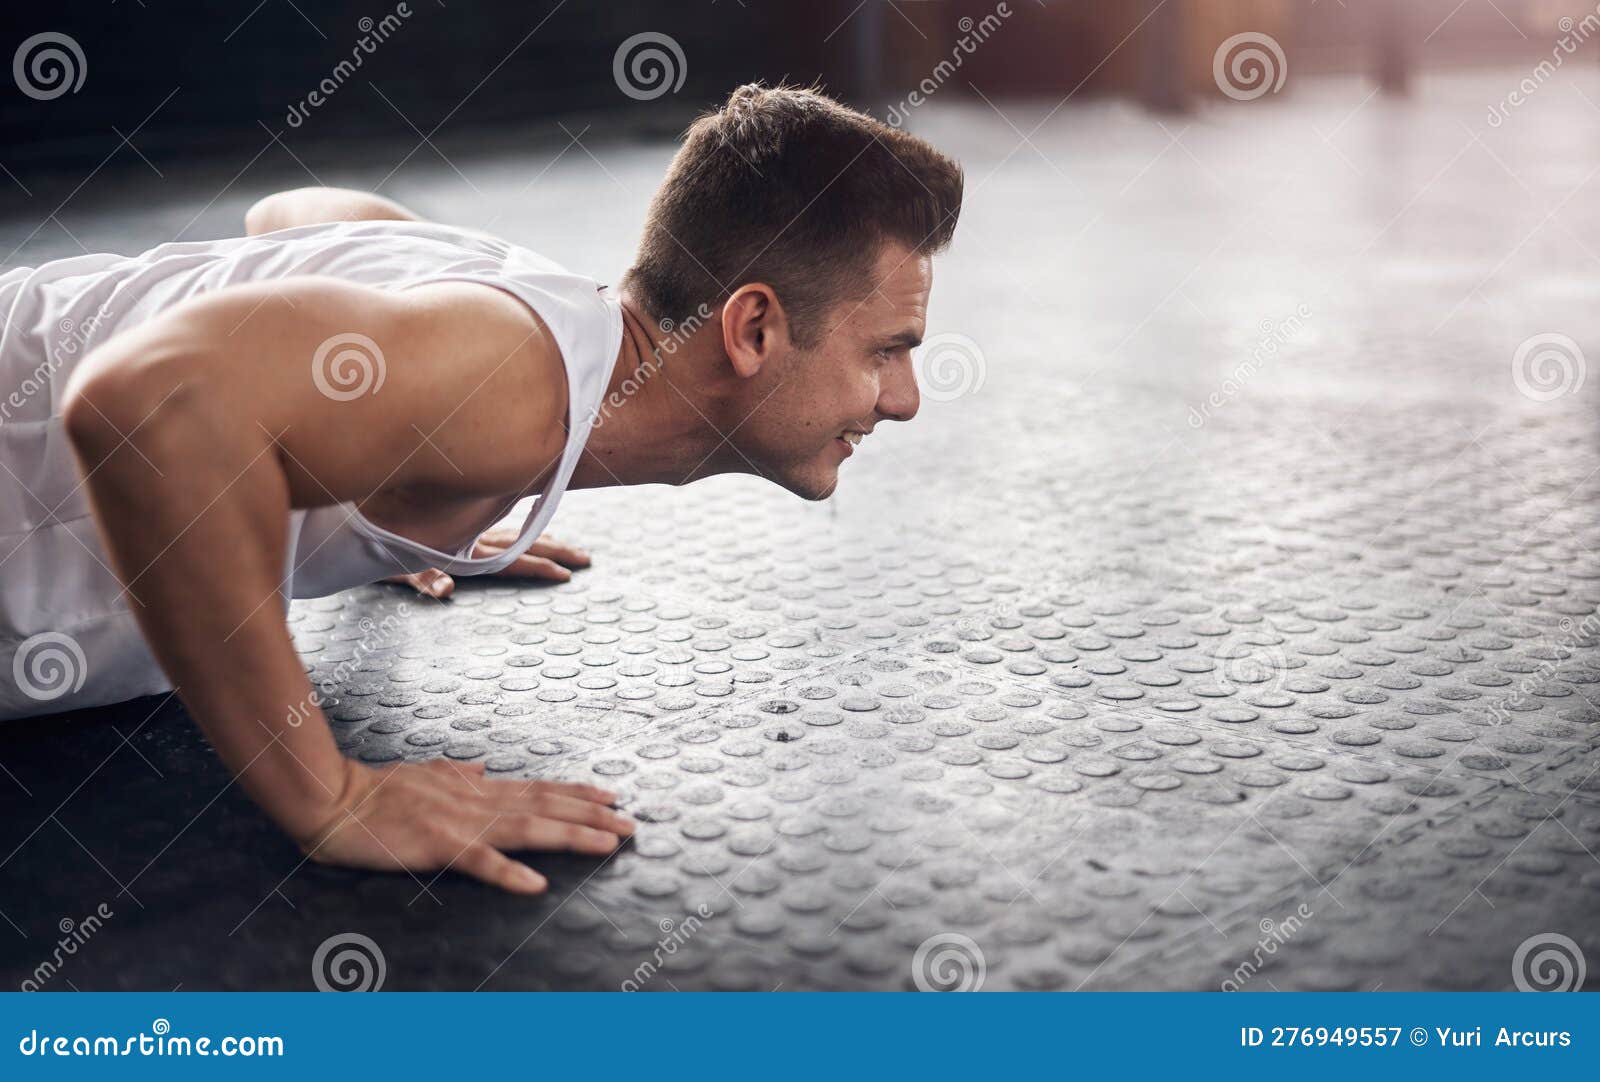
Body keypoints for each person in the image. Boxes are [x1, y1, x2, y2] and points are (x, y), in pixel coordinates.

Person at [0, 82, 964, 893]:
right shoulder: (506, 386)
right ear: (753, 329)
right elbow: (141, 407)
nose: (907, 399)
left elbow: (298, 216)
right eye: (887, 351)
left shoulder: (515, 322)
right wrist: (331, 796)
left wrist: (348, 480)